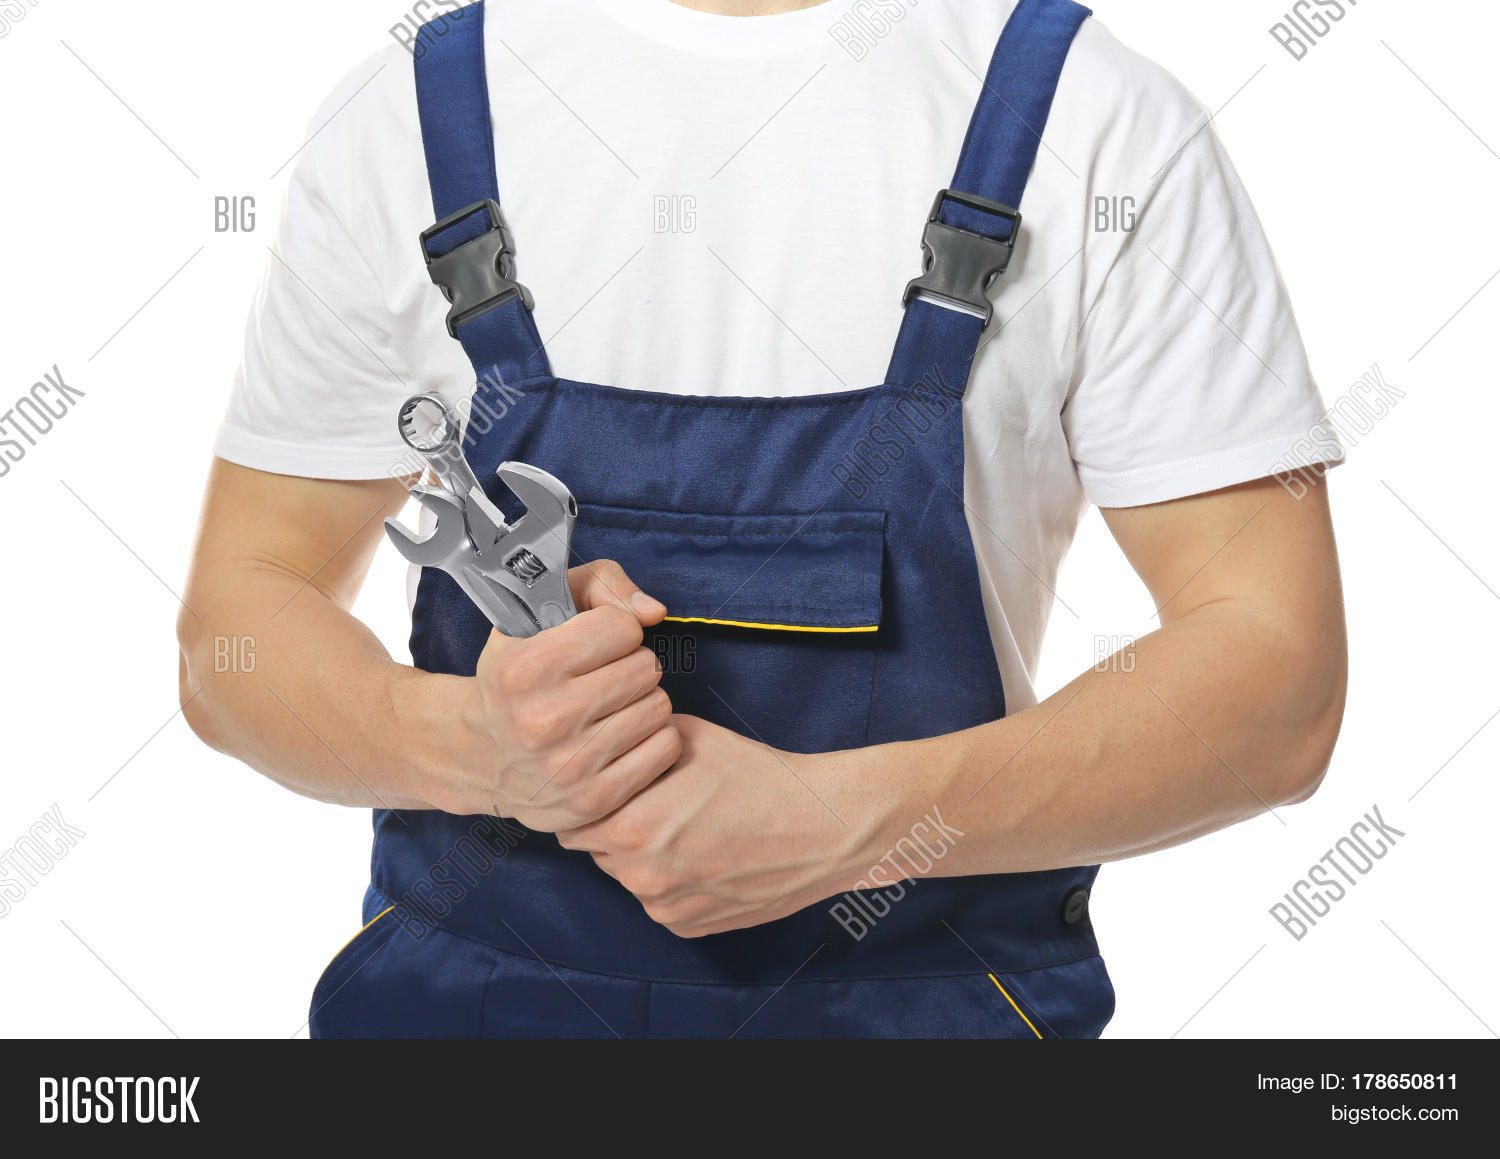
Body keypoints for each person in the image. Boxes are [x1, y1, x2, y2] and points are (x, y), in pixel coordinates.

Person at [178, 0, 1347, 1038]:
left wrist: (853, 824)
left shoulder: (1095, 117)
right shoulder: (412, 112)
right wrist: (474, 747)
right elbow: (234, 626)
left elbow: (1277, 684)